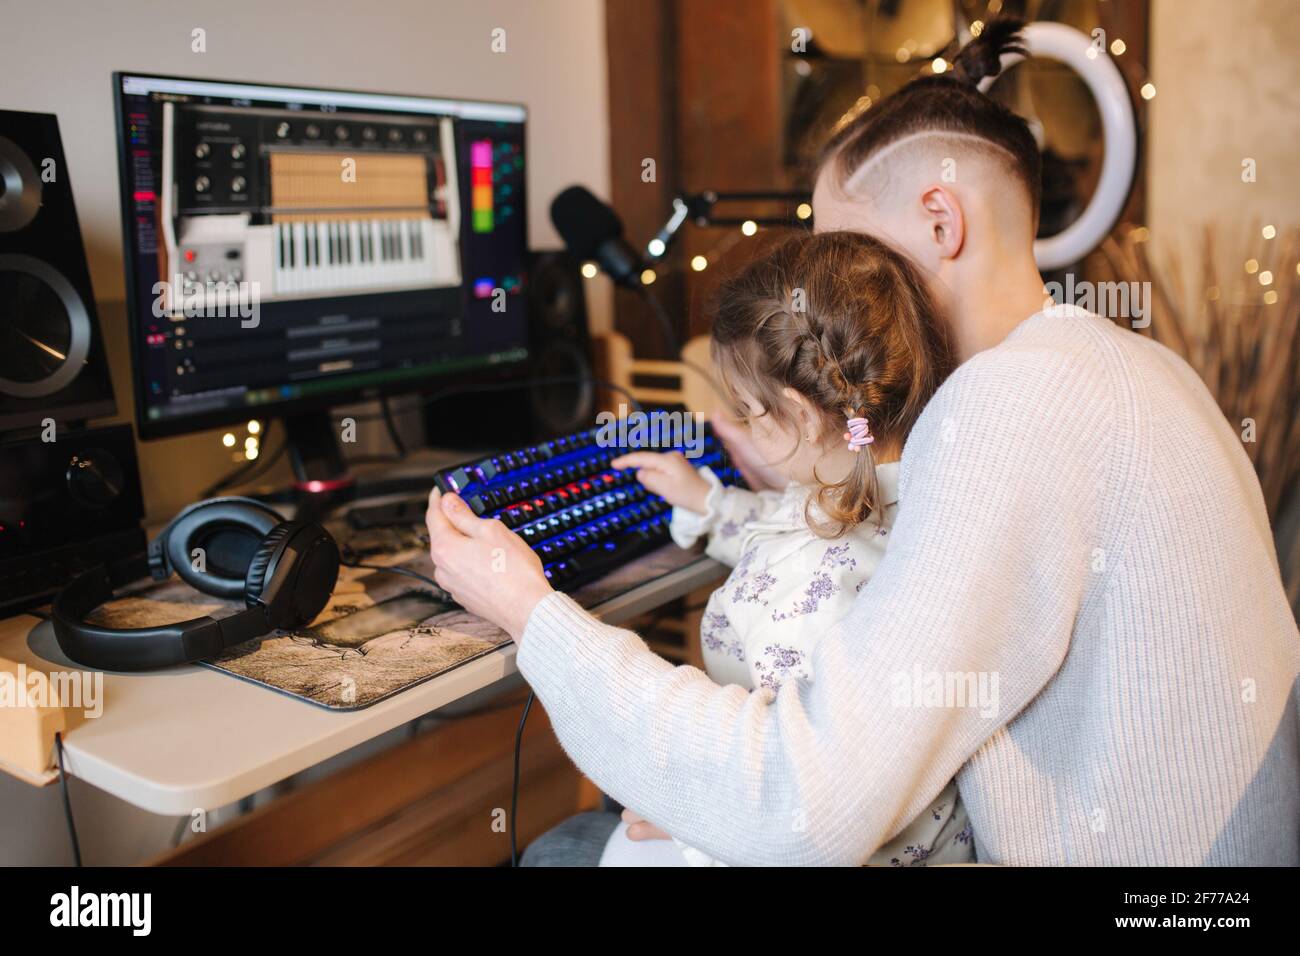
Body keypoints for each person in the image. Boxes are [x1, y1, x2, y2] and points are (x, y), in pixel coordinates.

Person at [425, 19, 1300, 865]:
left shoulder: (1008, 407)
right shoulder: (1139, 367)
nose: (824, 292)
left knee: (567, 850)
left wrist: (530, 612)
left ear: (940, 221)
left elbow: (808, 806)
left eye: (845, 250)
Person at [601, 230, 970, 867]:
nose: (741, 424)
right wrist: (710, 504)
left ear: (798, 415)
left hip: (797, 826)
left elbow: (794, 803)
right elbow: (794, 525)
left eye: (746, 412)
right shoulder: (916, 489)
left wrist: (695, 814)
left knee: (613, 844)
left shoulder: (803, 600)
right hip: (931, 834)